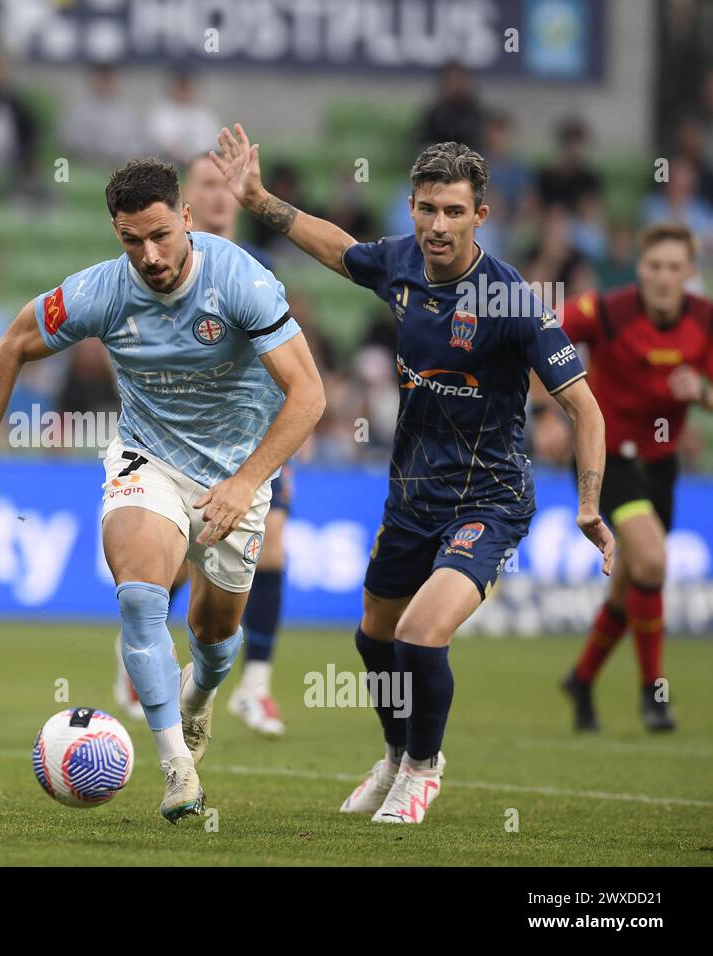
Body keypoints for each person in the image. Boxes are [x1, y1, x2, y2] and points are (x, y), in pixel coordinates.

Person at [213, 124, 613, 823]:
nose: (437, 224)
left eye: (454, 211)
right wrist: (260, 200)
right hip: (411, 494)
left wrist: (588, 504)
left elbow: (585, 407)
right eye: (427, 208)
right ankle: (396, 756)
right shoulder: (398, 264)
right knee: (373, 638)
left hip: (489, 498)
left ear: (481, 215)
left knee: (422, 634)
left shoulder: (510, 300)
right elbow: (337, 249)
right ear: (411, 207)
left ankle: (424, 770)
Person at [0, 158, 325, 823]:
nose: (149, 256)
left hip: (235, 474)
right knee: (141, 595)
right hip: (145, 460)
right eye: (131, 240)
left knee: (213, 638)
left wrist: (244, 482)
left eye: (160, 235)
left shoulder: (240, 279)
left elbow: (309, 394)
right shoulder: (101, 292)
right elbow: (11, 345)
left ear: (184, 218)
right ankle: (177, 767)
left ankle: (200, 697)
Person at [111, 152, 292, 737]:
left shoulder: (252, 269)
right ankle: (140, 651)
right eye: (208, 185)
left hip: (249, 445)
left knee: (273, 546)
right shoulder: (141, 273)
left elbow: (298, 373)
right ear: (188, 200)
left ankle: (254, 686)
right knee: (171, 560)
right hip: (171, 447)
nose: (220, 196)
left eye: (225, 186)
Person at [559, 223, 713, 733]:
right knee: (651, 559)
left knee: (633, 587)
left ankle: (581, 680)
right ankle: (655, 694)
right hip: (609, 459)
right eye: (655, 266)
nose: (664, 277)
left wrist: (704, 394)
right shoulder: (605, 310)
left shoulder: (706, 321)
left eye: (674, 268)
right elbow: (542, 336)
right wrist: (545, 405)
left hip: (662, 465)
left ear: (690, 273)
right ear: (640, 269)